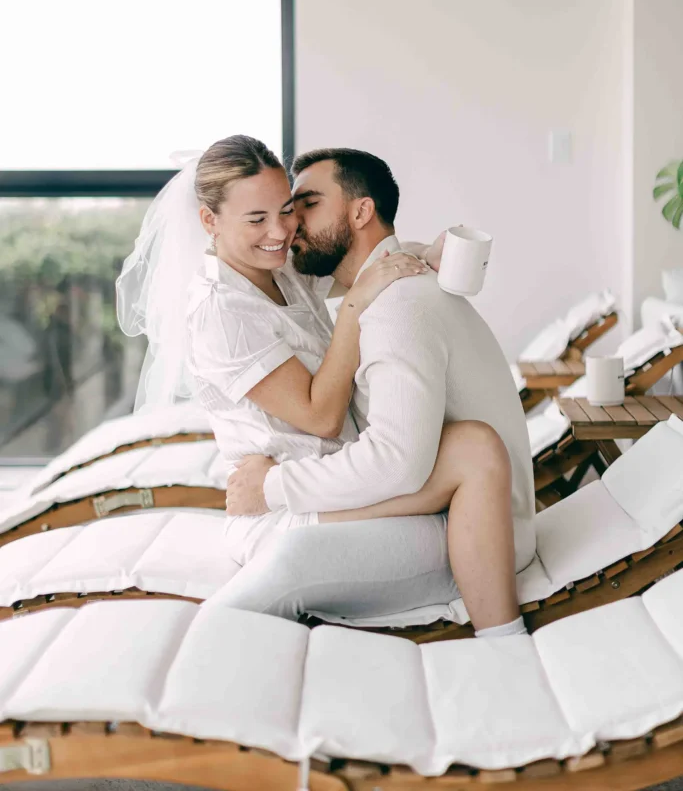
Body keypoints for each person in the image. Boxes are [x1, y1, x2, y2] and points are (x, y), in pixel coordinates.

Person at [117, 136, 531, 638]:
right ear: (210, 222)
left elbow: (352, 255)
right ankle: (193, 638)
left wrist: (423, 250)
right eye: (257, 219)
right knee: (461, 461)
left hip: (335, 484)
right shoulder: (221, 313)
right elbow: (320, 416)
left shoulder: (280, 268)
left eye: (290, 209)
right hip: (291, 506)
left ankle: (503, 638)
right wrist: (355, 305)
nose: (282, 231)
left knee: (474, 447)